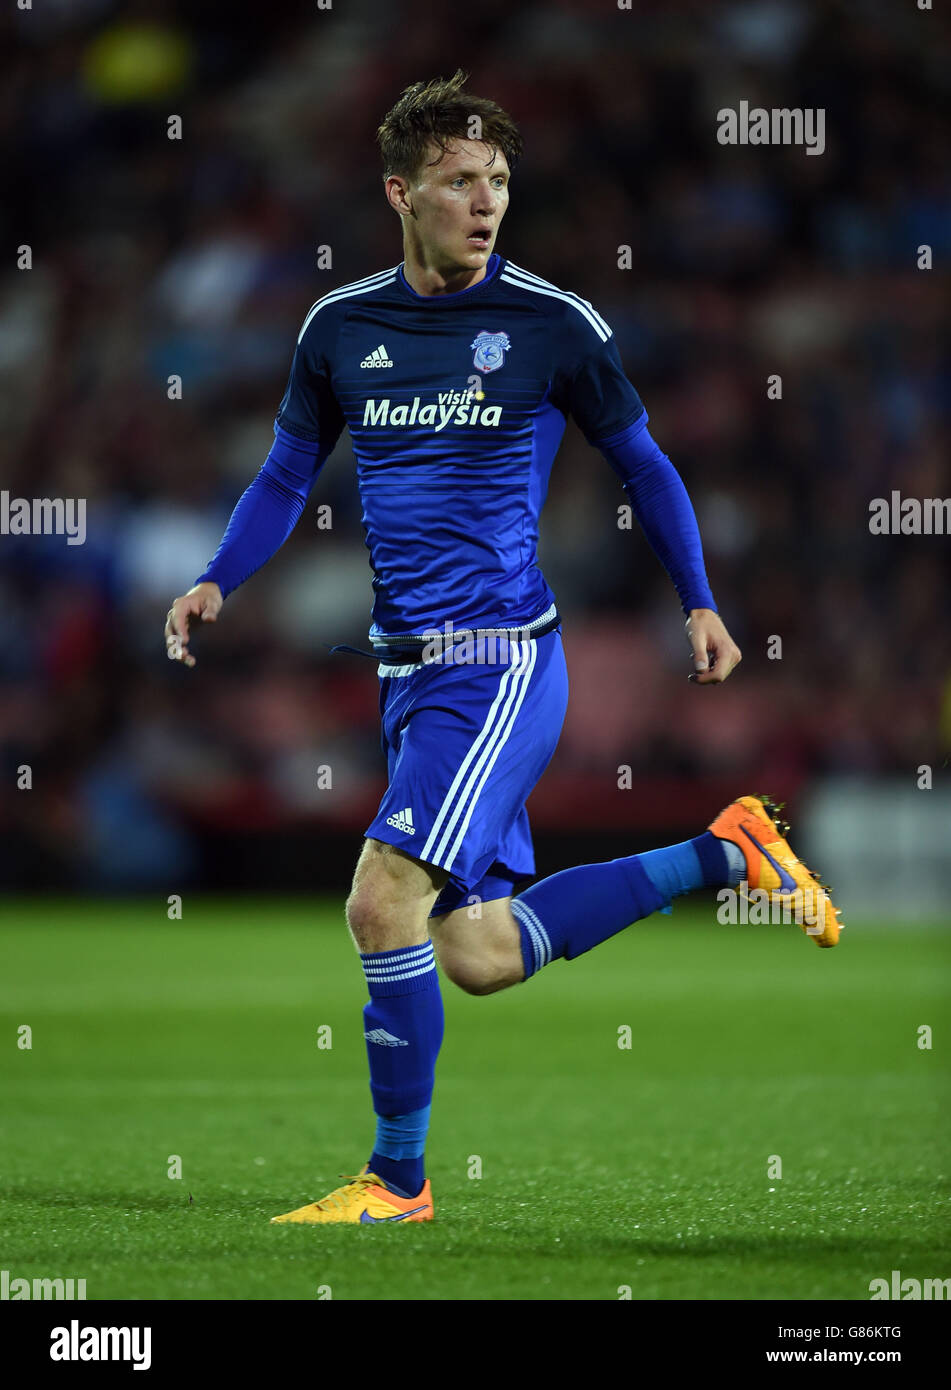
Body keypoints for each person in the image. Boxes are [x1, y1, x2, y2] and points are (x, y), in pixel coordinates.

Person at [165, 71, 840, 1226]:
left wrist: (700, 599)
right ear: (401, 193)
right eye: (461, 182)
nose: (487, 202)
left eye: (501, 182)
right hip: (408, 669)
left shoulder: (551, 323)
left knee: (382, 904)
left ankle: (397, 1184)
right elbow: (286, 475)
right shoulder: (341, 329)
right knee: (477, 951)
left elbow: (647, 464)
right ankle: (730, 853)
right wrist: (219, 577)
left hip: (498, 661)